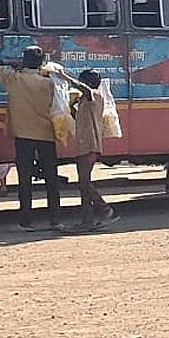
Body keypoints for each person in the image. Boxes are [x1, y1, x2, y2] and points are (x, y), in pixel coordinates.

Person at [0, 46, 63, 231]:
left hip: (23, 136)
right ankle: (55, 219)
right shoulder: (48, 83)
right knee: (51, 179)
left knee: (25, 179)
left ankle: (26, 221)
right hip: (46, 134)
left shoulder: (13, 78)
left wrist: (11, 63)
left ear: (24, 61)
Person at [56, 68, 118, 231]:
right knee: (83, 184)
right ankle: (87, 220)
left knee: (84, 183)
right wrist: (71, 107)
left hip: (90, 144)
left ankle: (105, 210)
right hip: (82, 145)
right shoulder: (85, 100)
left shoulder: (95, 95)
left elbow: (85, 89)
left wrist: (65, 77)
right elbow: (80, 119)